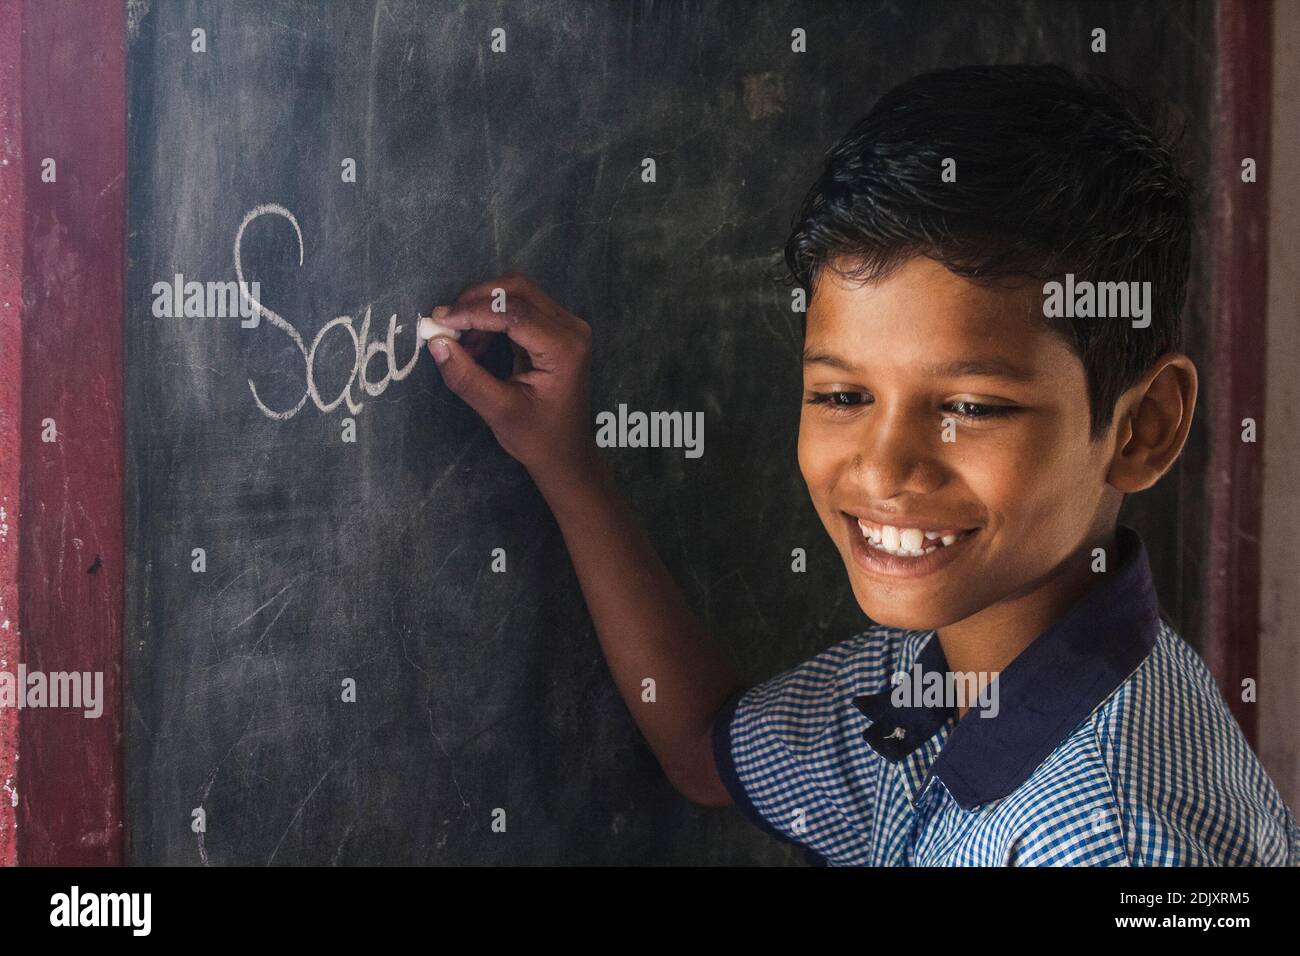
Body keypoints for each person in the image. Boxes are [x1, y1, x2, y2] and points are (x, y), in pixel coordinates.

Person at [423, 64, 1300, 865]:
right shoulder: (937, 670)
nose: (884, 471)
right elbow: (705, 751)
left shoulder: (1119, 843)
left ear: (1143, 428)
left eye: (971, 408)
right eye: (842, 397)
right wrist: (568, 465)